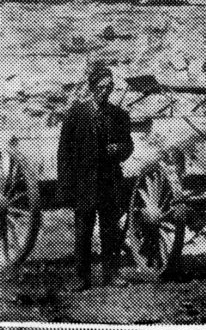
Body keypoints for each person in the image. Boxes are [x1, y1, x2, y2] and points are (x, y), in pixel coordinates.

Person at [57, 64, 134, 291]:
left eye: (109, 87)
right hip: (84, 183)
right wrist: (65, 187)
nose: (106, 91)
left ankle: (111, 274)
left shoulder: (119, 115)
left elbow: (129, 146)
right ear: (92, 88)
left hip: (109, 182)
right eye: (101, 87)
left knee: (110, 229)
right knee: (83, 231)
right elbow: (64, 153)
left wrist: (119, 149)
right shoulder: (76, 113)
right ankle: (81, 277)